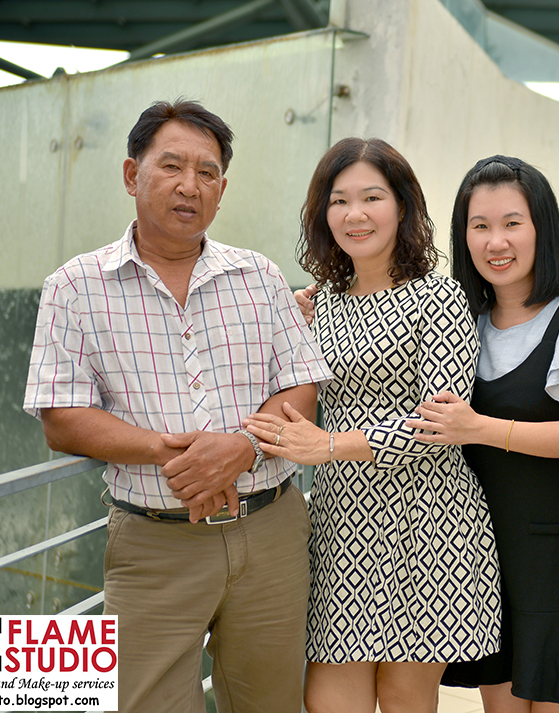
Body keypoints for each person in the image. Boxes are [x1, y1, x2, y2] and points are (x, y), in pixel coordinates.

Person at [23, 99, 332, 713]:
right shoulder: (75, 286)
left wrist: (240, 448)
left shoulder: (260, 276)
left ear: (222, 189)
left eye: (208, 172)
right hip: (153, 543)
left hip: (272, 533)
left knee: (270, 704)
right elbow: (61, 417)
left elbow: (302, 384)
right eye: (171, 166)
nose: (190, 185)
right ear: (133, 175)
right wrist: (182, 455)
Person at [243, 137, 502, 713]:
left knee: (405, 698)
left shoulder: (439, 296)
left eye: (372, 197)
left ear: (403, 207)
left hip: (426, 525)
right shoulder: (320, 303)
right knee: (328, 698)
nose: (354, 214)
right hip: (340, 525)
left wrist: (330, 445)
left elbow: (443, 422)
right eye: (339, 200)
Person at [403, 155, 559, 713]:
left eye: (511, 223)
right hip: (480, 555)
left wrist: (479, 427)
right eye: (479, 226)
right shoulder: (458, 322)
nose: (495, 241)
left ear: (541, 229)